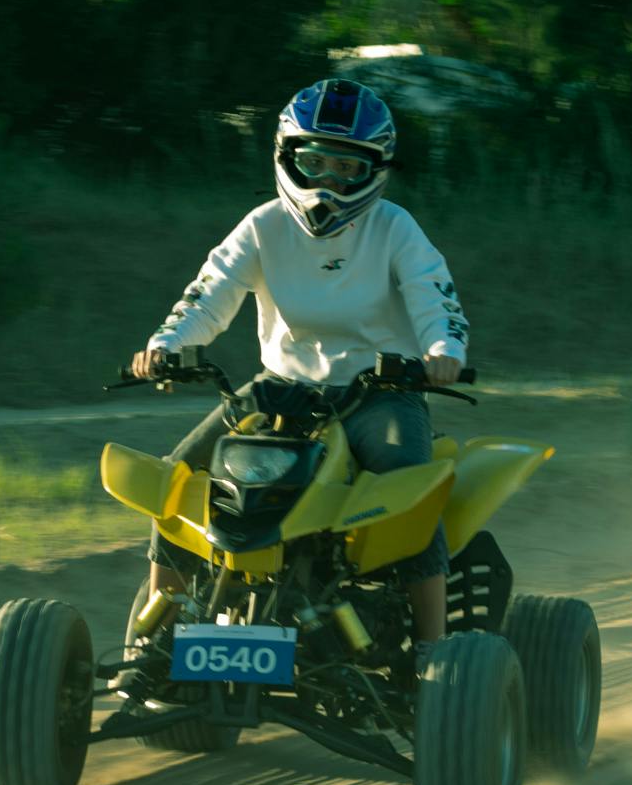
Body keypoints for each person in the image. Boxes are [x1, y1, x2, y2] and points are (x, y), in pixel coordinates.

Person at [131, 78, 469, 647]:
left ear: (375, 170)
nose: (329, 184)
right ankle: (157, 635)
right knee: (177, 480)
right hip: (278, 391)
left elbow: (434, 295)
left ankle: (436, 658)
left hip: (381, 392)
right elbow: (208, 294)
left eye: (347, 169)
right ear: (288, 156)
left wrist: (443, 354)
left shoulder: (395, 228)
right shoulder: (263, 225)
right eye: (315, 162)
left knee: (411, 495)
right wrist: (166, 345)